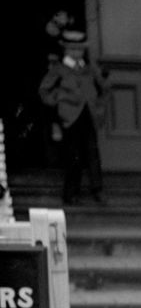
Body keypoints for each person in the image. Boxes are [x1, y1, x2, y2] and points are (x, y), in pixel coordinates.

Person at [38, 29, 108, 204]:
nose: (77, 53)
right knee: (74, 155)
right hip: (69, 117)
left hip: (88, 114)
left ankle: (97, 190)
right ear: (66, 50)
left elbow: (103, 88)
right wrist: (58, 101)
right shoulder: (58, 69)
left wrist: (98, 105)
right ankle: (71, 193)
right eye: (73, 49)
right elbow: (44, 90)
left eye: (80, 50)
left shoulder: (89, 68)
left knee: (92, 152)